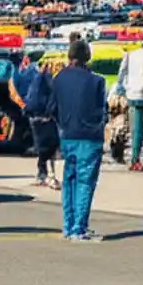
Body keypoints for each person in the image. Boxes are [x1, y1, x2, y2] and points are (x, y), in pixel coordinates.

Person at [48, 40, 108, 243]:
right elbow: (102, 110)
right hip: (90, 136)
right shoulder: (97, 81)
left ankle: (68, 225)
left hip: (67, 134)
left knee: (70, 180)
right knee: (85, 182)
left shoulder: (59, 78)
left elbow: (52, 107)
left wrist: (63, 123)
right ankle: (79, 228)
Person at [116, 41, 143, 169]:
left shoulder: (130, 53)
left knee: (135, 128)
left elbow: (122, 71)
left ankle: (134, 156)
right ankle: (135, 158)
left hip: (131, 93)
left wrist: (121, 88)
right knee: (140, 129)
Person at [22, 59, 61, 189]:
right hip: (45, 117)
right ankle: (49, 175)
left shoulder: (35, 78)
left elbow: (30, 98)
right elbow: (53, 99)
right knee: (50, 148)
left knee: (42, 148)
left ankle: (42, 174)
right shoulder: (50, 80)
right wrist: (50, 114)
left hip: (34, 116)